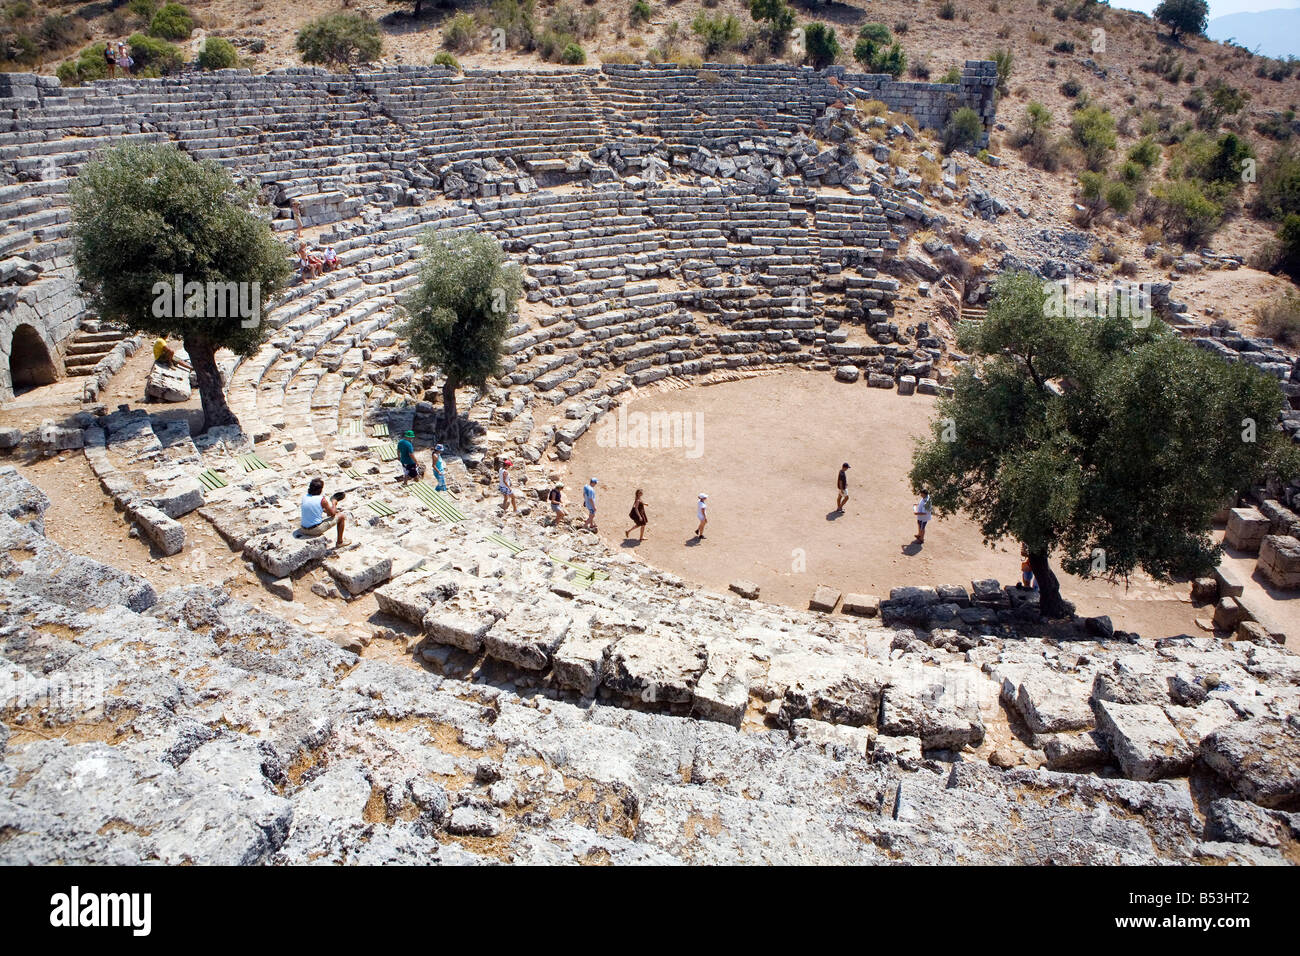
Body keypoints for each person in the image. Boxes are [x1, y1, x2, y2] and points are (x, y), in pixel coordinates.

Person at [300, 477, 346, 547]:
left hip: (303, 529)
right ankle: (340, 542)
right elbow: (332, 514)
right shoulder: (322, 500)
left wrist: (327, 510)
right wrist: (334, 502)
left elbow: (314, 508)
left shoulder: (304, 497)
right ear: (320, 490)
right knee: (341, 516)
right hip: (315, 530)